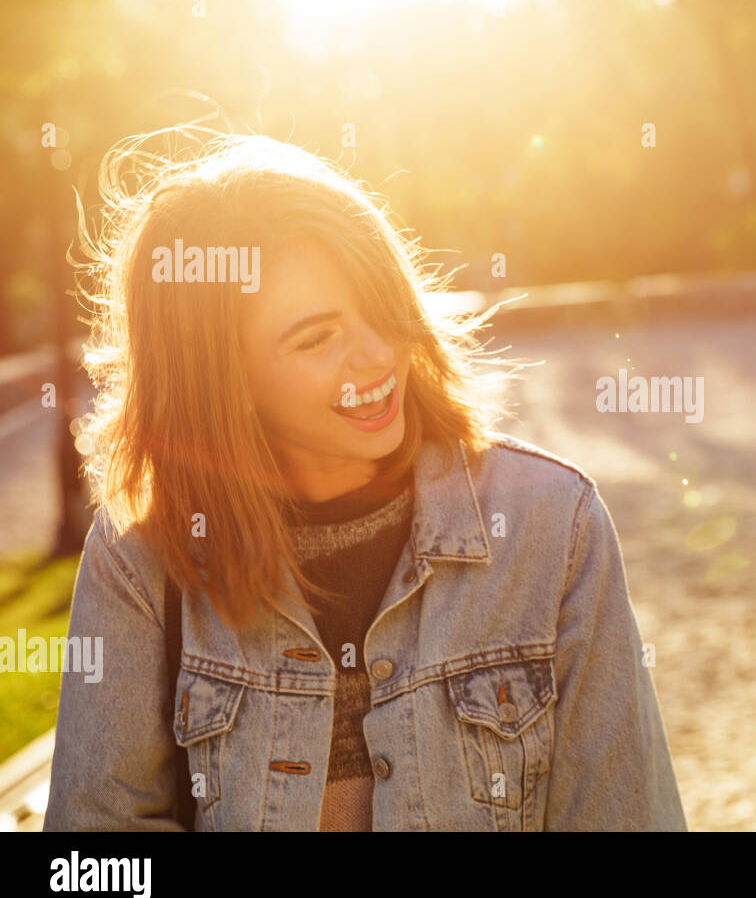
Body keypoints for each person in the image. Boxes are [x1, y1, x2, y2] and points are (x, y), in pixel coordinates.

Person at [43, 129, 686, 831]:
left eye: (380, 309)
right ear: (224, 382)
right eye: (317, 338)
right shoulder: (141, 562)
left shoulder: (554, 525)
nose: (377, 355)